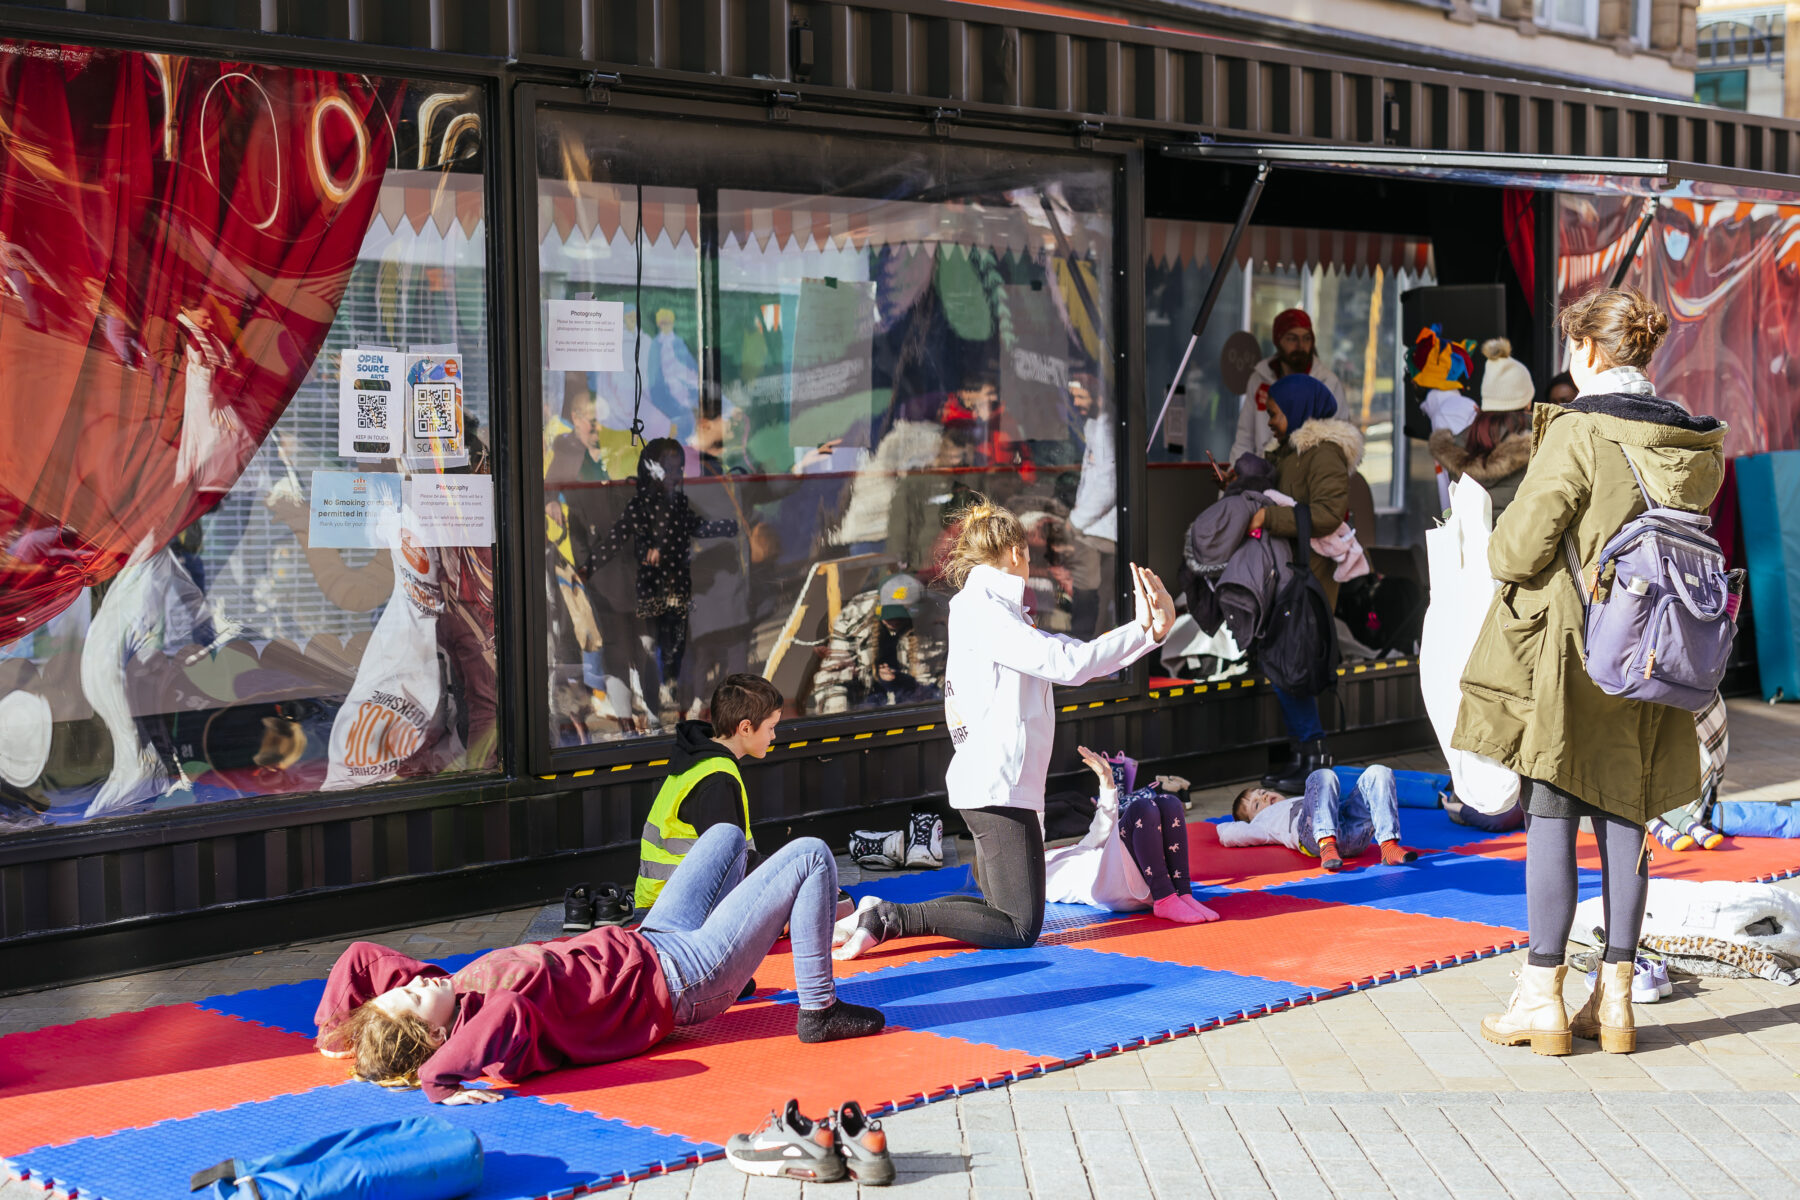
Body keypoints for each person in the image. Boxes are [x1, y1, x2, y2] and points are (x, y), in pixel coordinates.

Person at [1462, 288, 1725, 1058]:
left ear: (1592, 353)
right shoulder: (1694, 445)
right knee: (1628, 813)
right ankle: (1614, 1004)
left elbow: (1513, 552)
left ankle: (1540, 996)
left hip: (1577, 653)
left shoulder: (1579, 433)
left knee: (1553, 810)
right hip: (1660, 656)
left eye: (1574, 348)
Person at [314, 824, 886, 1103]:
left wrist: (337, 1028)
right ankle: (819, 1009)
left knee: (727, 837)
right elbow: (510, 1005)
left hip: (652, 937)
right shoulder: (497, 1035)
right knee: (810, 855)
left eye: (405, 987)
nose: (417, 981)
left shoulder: (449, 994)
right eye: (413, 996)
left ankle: (740, 968)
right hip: (684, 980)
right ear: (439, 1035)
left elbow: (362, 958)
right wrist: (441, 1079)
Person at [834, 499, 1175, 958]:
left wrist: (1146, 632)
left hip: (995, 782)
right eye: (1030, 555)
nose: (1031, 564)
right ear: (1015, 552)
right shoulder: (986, 610)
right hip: (998, 784)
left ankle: (886, 914)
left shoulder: (992, 609)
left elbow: (1066, 652)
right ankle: (890, 917)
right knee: (1019, 926)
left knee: (1000, 911)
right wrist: (1147, 630)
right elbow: (1067, 662)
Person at [1246, 374, 1364, 794]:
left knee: (1291, 663)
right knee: (1286, 664)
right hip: (1292, 573)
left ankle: (1313, 756)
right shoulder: (1291, 452)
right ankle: (1306, 756)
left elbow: (1329, 513)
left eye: (1274, 413)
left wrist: (1270, 518)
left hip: (1309, 579)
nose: (1271, 422)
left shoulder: (1323, 453)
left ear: (1296, 410)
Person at [580, 438, 739, 714]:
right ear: (652, 471)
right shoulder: (640, 505)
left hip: (677, 588)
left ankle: (681, 704)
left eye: (680, 469)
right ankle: (655, 712)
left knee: (679, 646)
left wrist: (728, 527)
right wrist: (589, 566)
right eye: (670, 469)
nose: (677, 475)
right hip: (651, 590)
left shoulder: (679, 503)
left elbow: (698, 527)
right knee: (649, 650)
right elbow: (616, 539)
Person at [636, 673, 783, 909]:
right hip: (679, 909)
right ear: (745, 727)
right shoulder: (717, 781)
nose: (774, 736)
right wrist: (787, 876)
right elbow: (731, 863)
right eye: (771, 727)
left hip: (666, 900)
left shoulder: (702, 760)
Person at [1057, 745, 1218, 922]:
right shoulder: (1039, 876)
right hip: (1110, 885)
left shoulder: (1071, 851)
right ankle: (1165, 899)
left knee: (1169, 802)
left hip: (1142, 876)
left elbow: (1102, 828)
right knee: (1142, 808)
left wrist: (1107, 780)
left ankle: (1183, 893)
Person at [1225, 766, 1418, 872]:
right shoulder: (1262, 824)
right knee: (1321, 775)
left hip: (1352, 830)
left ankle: (1389, 845)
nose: (1264, 797)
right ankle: (1327, 844)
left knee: (1379, 772)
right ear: (1253, 819)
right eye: (1257, 805)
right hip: (1314, 838)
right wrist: (1222, 828)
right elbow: (1231, 834)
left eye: (1262, 792)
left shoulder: (1300, 799)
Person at [808, 573, 946, 714]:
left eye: (901, 616)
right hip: (865, 704)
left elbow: (939, 679)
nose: (895, 620)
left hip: (914, 704)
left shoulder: (934, 621)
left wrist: (899, 681)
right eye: (890, 614)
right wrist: (841, 720)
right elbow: (833, 675)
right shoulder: (853, 619)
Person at [1429, 338, 1535, 518]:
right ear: (1527, 402)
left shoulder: (1459, 445)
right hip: (1522, 543)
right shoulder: (1544, 441)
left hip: (1472, 545)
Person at [1230, 308, 1347, 464]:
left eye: (1306, 338)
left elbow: (1339, 440)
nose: (1300, 346)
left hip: (1304, 475)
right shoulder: (1260, 378)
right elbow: (1245, 438)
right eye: (1292, 339)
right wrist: (1236, 478)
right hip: (1261, 474)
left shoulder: (1326, 383)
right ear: (1278, 340)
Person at [1064, 372, 1117, 640]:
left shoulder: (1107, 428)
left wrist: (1076, 520)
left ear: (1098, 397)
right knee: (1102, 594)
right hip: (1095, 526)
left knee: (1090, 594)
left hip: (1096, 531)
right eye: (1074, 397)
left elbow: (1108, 483)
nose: (1077, 403)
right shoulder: (1095, 424)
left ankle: (1084, 644)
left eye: (1081, 397)